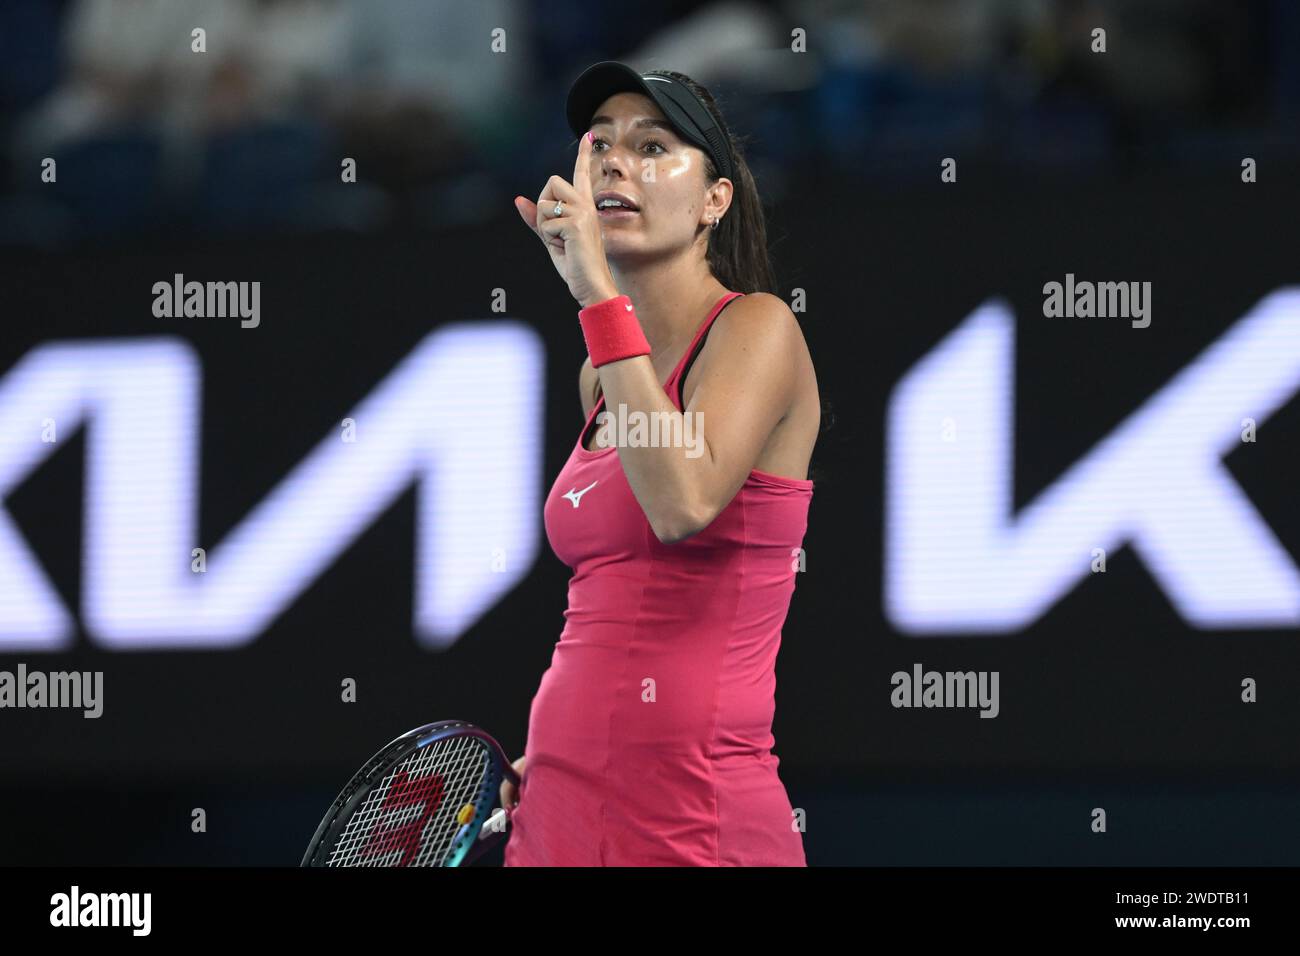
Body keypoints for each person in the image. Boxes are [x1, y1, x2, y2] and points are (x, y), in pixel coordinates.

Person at [501, 61, 820, 866]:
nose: (613, 160)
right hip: (558, 804)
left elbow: (680, 504)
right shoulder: (600, 377)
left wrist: (596, 299)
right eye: (598, 143)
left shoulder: (759, 328)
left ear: (716, 199)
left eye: (653, 146)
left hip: (698, 817)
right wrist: (566, 750)